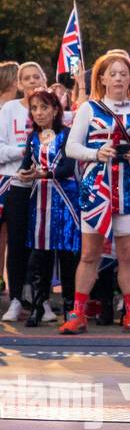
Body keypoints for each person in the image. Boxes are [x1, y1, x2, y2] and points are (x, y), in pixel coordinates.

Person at [60, 51, 130, 334]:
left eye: (124, 73)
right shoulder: (88, 109)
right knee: (89, 253)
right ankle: (78, 313)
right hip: (97, 188)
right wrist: (97, 153)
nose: (119, 77)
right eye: (113, 73)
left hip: (129, 186)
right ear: (102, 79)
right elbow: (71, 148)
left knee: (128, 252)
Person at [18, 88, 80, 327]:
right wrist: (25, 174)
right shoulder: (33, 138)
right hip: (41, 203)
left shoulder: (67, 135)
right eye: (34, 108)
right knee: (39, 257)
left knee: (67, 257)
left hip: (65, 202)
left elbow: (67, 168)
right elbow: (25, 166)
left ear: (55, 110)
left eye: (44, 107)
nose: (39, 113)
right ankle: (37, 306)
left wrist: (43, 173)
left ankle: (69, 307)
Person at [1, 61, 53, 322]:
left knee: (43, 245)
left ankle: (42, 300)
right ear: (19, 84)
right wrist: (22, 153)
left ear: (44, 79)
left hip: (46, 187)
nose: (32, 81)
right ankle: (16, 300)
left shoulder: (52, 109)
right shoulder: (9, 109)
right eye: (27, 78)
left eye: (37, 77)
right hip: (16, 185)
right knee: (17, 243)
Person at [0, 61, 21, 303]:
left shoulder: (25, 108)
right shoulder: (5, 110)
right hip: (5, 176)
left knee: (8, 233)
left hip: (15, 178)